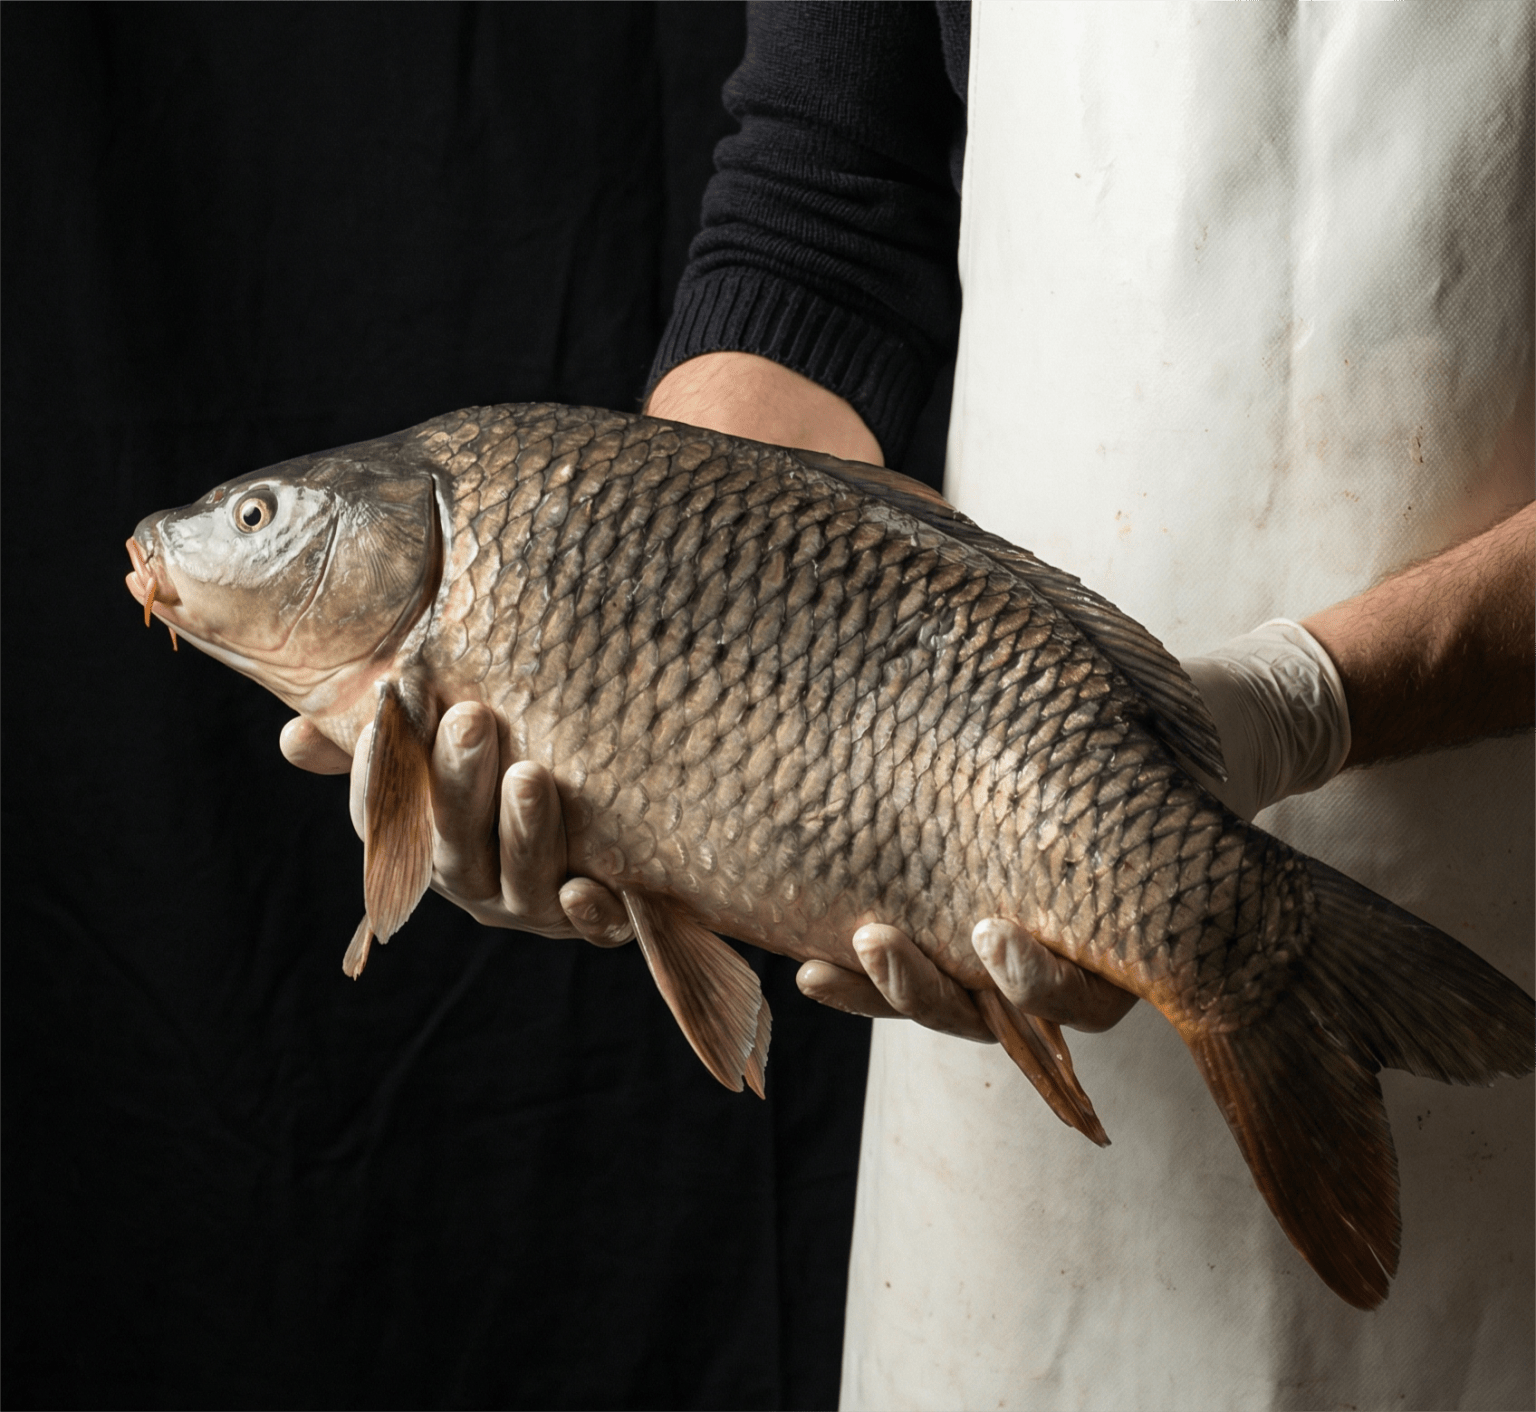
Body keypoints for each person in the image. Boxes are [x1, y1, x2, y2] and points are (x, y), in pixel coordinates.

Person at [284, 3, 1535, 1406]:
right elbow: (820, 212)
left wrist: (1300, 700)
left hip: (1491, 861)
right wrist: (630, 701)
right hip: (980, 919)